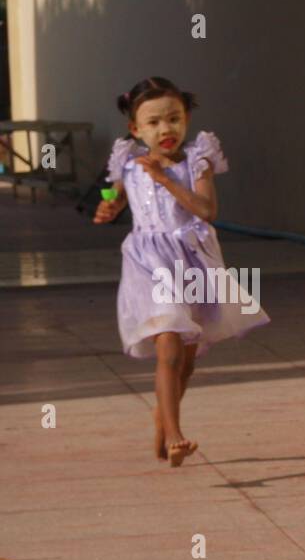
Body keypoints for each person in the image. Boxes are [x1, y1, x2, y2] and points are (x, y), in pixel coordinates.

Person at [94, 76, 269, 466]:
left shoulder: (197, 161)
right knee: (168, 345)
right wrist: (109, 208)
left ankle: (162, 428)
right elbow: (119, 200)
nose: (165, 129)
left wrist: (165, 179)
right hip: (148, 263)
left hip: (192, 261)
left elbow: (207, 211)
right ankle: (175, 435)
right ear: (135, 129)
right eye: (153, 123)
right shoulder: (128, 161)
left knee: (186, 361)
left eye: (173, 118)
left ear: (186, 118)